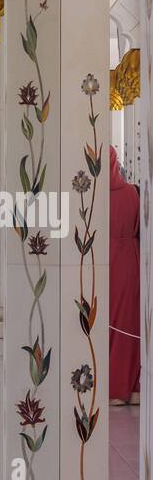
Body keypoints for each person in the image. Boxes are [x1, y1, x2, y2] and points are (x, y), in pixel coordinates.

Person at [109, 145, 140, 405]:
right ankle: (135, 387)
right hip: (131, 260)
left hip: (105, 261)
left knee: (108, 323)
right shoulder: (133, 193)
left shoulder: (94, 197)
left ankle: (114, 388)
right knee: (130, 322)